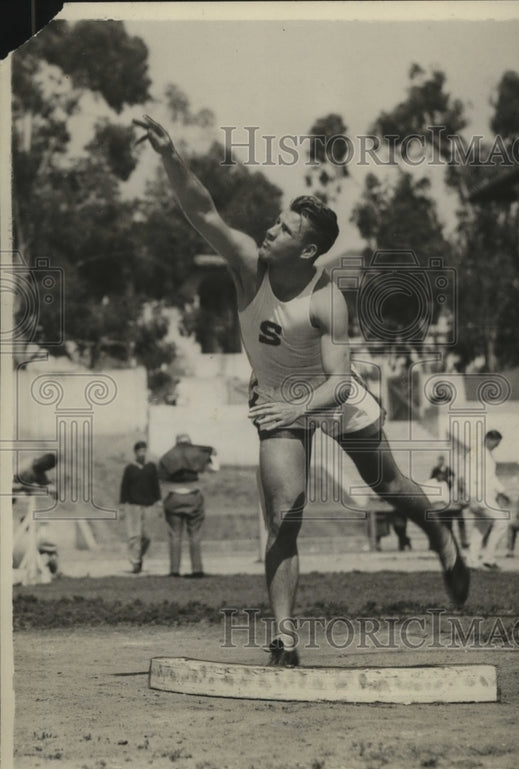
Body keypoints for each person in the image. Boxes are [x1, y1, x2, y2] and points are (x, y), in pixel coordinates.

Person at [135, 115, 469, 666]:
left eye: (285, 231)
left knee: (386, 483)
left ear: (309, 252)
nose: (271, 232)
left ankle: (440, 536)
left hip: (330, 398)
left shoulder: (327, 300)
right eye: (275, 222)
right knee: (285, 511)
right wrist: (171, 155)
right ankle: (285, 638)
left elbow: (339, 384)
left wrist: (298, 402)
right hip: (277, 401)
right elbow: (202, 210)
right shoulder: (249, 266)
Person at [158, 433, 219, 578]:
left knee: (174, 535)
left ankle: (174, 570)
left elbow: (161, 479)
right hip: (193, 496)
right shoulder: (197, 455)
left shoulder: (167, 457)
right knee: (195, 535)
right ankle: (197, 570)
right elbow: (214, 468)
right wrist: (214, 455)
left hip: (173, 497)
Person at [465, 430, 510, 570]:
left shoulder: (487, 455)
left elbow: (491, 478)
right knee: (501, 523)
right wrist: (472, 497)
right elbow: (469, 475)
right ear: (489, 439)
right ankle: (488, 559)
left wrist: (503, 491)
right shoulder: (477, 453)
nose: (497, 446)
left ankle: (472, 560)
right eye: (496, 443)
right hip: (480, 495)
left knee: (480, 528)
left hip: (487, 495)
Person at [119, 441, 161, 573]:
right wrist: (122, 506)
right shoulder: (130, 468)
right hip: (133, 505)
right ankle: (135, 562)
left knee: (147, 536)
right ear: (135, 453)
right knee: (134, 535)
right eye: (140, 451)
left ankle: (138, 556)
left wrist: (159, 501)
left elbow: (156, 485)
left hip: (149, 504)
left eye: (144, 450)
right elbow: (124, 487)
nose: (142, 453)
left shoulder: (151, 467)